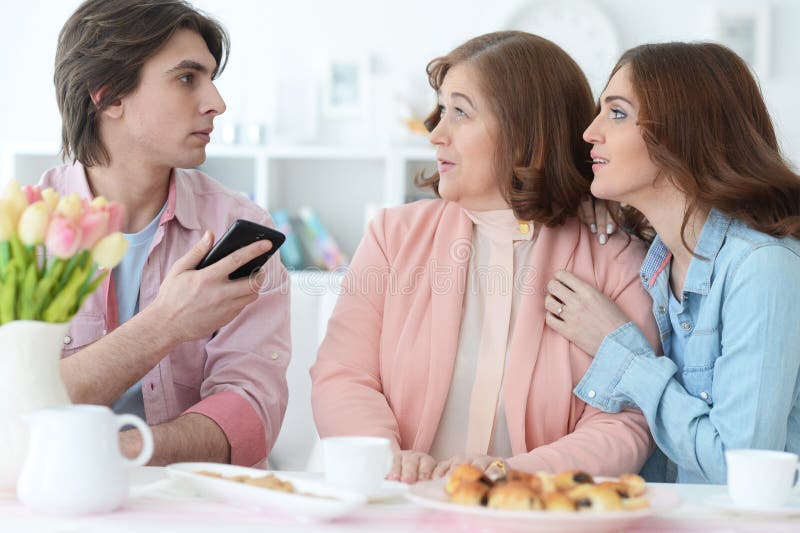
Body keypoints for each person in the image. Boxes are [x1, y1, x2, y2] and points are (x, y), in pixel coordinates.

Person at [310, 31, 661, 483]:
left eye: (460, 112)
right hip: (400, 503)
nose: (436, 134)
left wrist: (512, 475)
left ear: (525, 131)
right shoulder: (392, 237)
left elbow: (624, 422)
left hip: (535, 511)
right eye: (442, 110)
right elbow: (342, 374)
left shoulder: (617, 260)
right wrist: (387, 460)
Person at [42, 0, 291, 466]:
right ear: (108, 95)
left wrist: (120, 452)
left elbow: (250, 412)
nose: (217, 103)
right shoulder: (21, 236)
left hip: (190, 497)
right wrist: (167, 323)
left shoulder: (240, 227)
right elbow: (14, 409)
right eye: (186, 78)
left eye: (211, 78)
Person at [546, 42, 800, 484]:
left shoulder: (761, 269)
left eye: (617, 113)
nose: (589, 132)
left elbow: (736, 465)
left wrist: (621, 350)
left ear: (681, 134)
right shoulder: (656, 258)